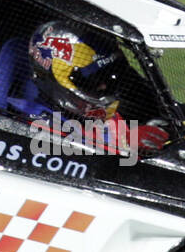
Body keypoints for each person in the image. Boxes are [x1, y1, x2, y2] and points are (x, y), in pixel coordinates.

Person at [23, 22, 168, 155]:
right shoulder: (31, 121)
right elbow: (69, 157)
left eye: (112, 73)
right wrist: (127, 145)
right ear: (56, 81)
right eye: (92, 80)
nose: (104, 85)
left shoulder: (104, 115)